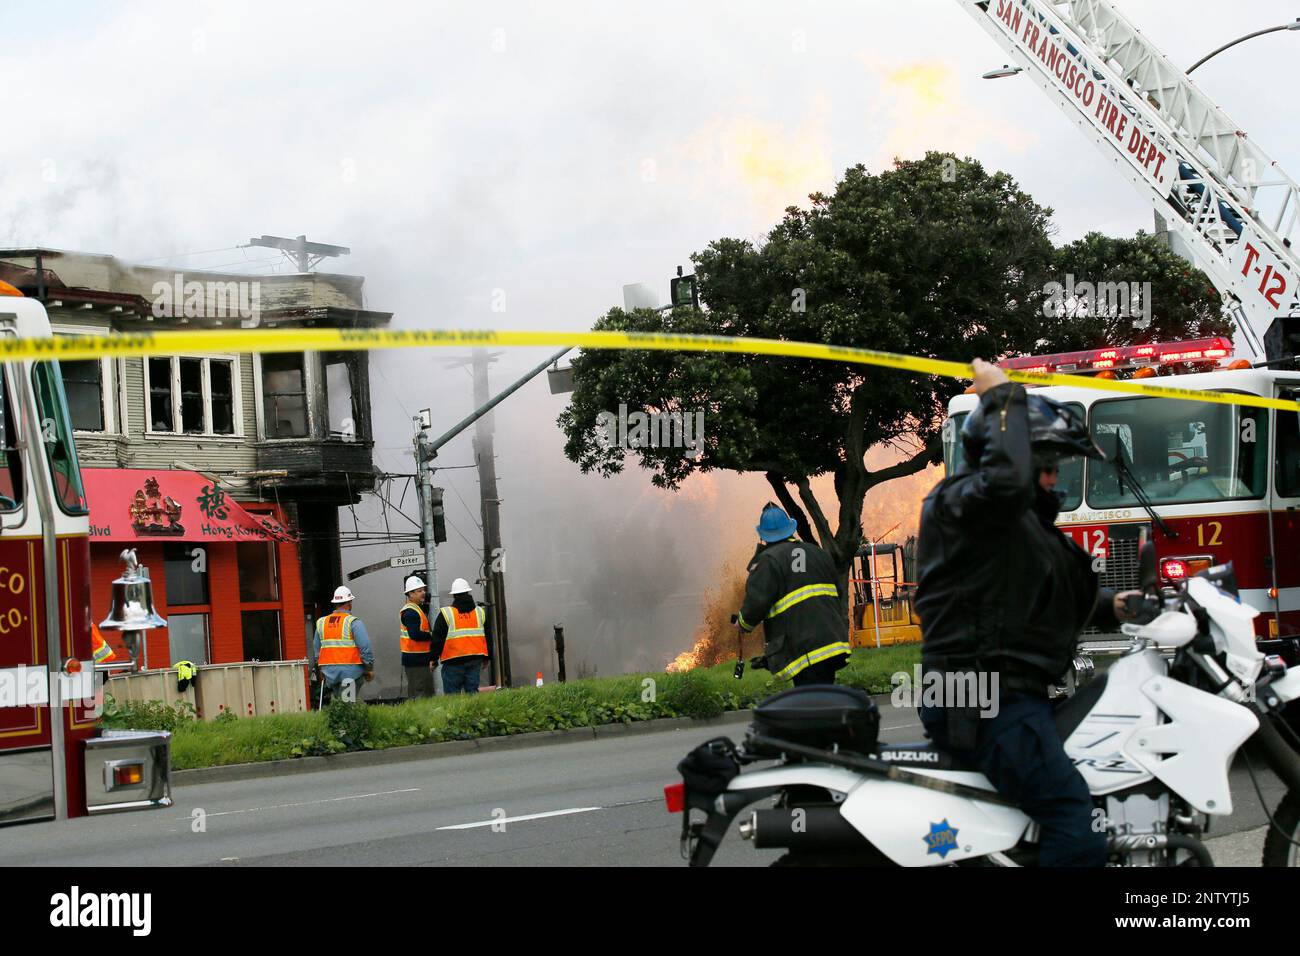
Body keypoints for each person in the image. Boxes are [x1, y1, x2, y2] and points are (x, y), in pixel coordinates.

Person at [914, 358, 1144, 867]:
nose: (1054, 478)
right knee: (1076, 827)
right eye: (1046, 465)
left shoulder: (1015, 526)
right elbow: (1007, 483)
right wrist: (1002, 397)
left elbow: (1039, 595)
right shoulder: (963, 503)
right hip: (984, 697)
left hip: (1006, 692)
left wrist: (1116, 605)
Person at [737, 504, 851, 685]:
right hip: (832, 640)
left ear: (763, 536)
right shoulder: (818, 553)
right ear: (791, 528)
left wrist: (743, 623)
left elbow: (757, 601)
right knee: (824, 692)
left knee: (810, 698)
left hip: (803, 647)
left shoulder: (768, 561)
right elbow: (839, 592)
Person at [311, 585, 374, 702]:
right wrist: (369, 667)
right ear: (349, 602)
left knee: (339, 704)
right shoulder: (353, 622)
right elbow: (365, 647)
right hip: (351, 673)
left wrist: (321, 669)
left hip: (330, 674)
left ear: (335, 603)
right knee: (347, 705)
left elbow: (317, 650)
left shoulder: (321, 623)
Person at [434, 577, 491, 694]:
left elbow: (438, 638)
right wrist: (487, 657)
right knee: (472, 694)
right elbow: (488, 637)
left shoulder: (446, 613)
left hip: (452, 661)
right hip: (475, 659)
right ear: (468, 592)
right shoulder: (479, 612)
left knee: (452, 697)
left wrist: (433, 658)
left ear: (454, 595)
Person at [399, 574, 436, 698]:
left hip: (419, 658)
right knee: (419, 692)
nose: (423, 593)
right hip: (415, 659)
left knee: (425, 691)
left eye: (423, 590)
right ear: (410, 594)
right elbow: (415, 634)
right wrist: (432, 635)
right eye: (419, 591)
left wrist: (427, 603)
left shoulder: (416, 609)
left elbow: (422, 617)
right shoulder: (410, 612)